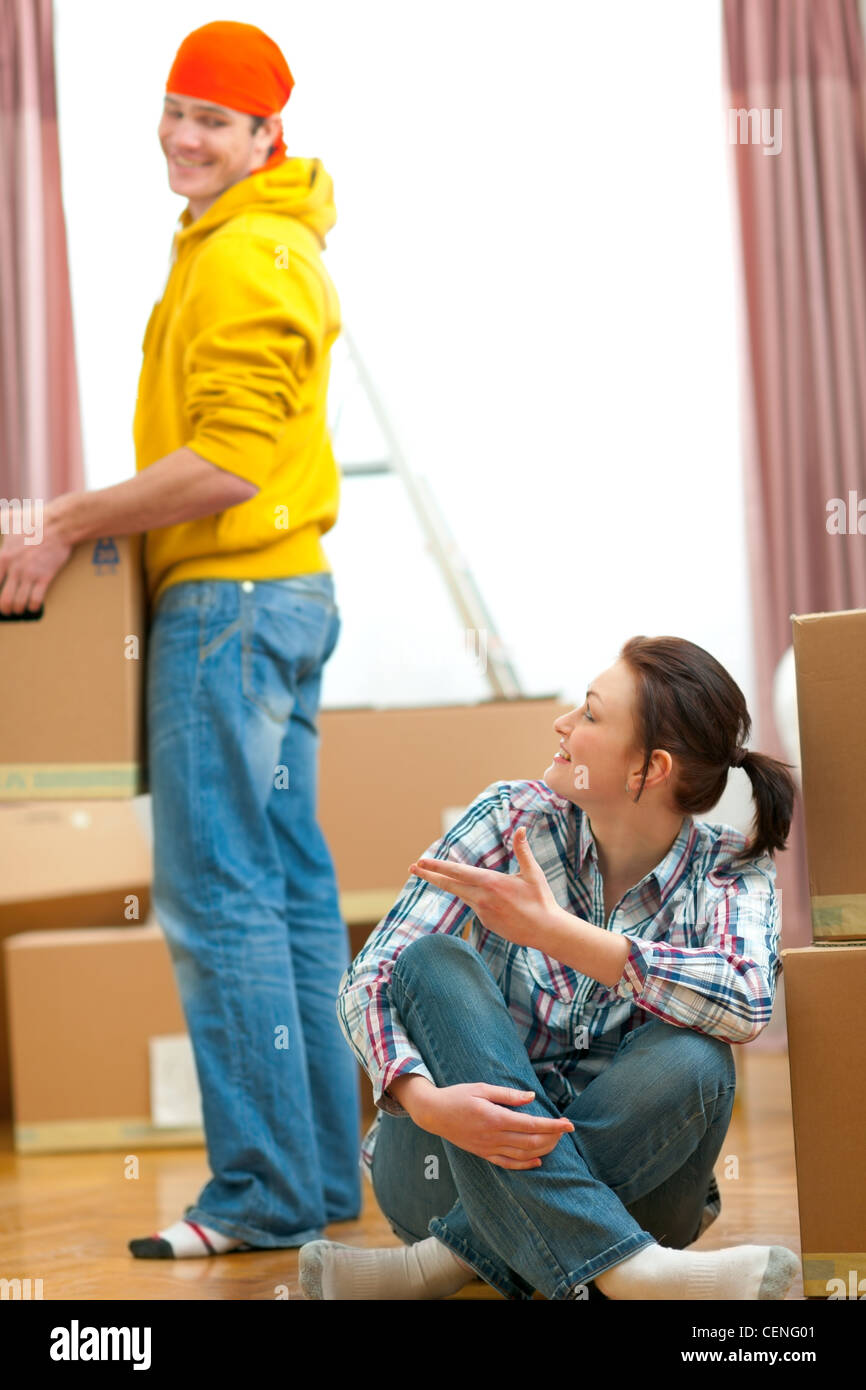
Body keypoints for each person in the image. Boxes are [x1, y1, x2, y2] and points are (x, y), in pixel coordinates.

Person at [0, 20, 361, 1256]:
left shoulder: (247, 258)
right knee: (292, 902)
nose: (184, 135)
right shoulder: (240, 243)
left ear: (268, 138)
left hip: (231, 609)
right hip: (285, 599)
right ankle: (316, 1183)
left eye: (213, 119)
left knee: (217, 902)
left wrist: (64, 519)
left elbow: (228, 463)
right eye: (175, 109)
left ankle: (261, 1191)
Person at [298, 635, 800, 1300]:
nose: (562, 726)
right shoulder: (510, 816)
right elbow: (372, 977)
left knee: (699, 1057)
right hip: (441, 1166)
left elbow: (746, 1000)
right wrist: (427, 1102)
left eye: (590, 715)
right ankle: (631, 1272)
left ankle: (439, 1265)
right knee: (431, 961)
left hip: (641, 1189)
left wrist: (557, 934)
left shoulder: (730, 870)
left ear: (648, 769)